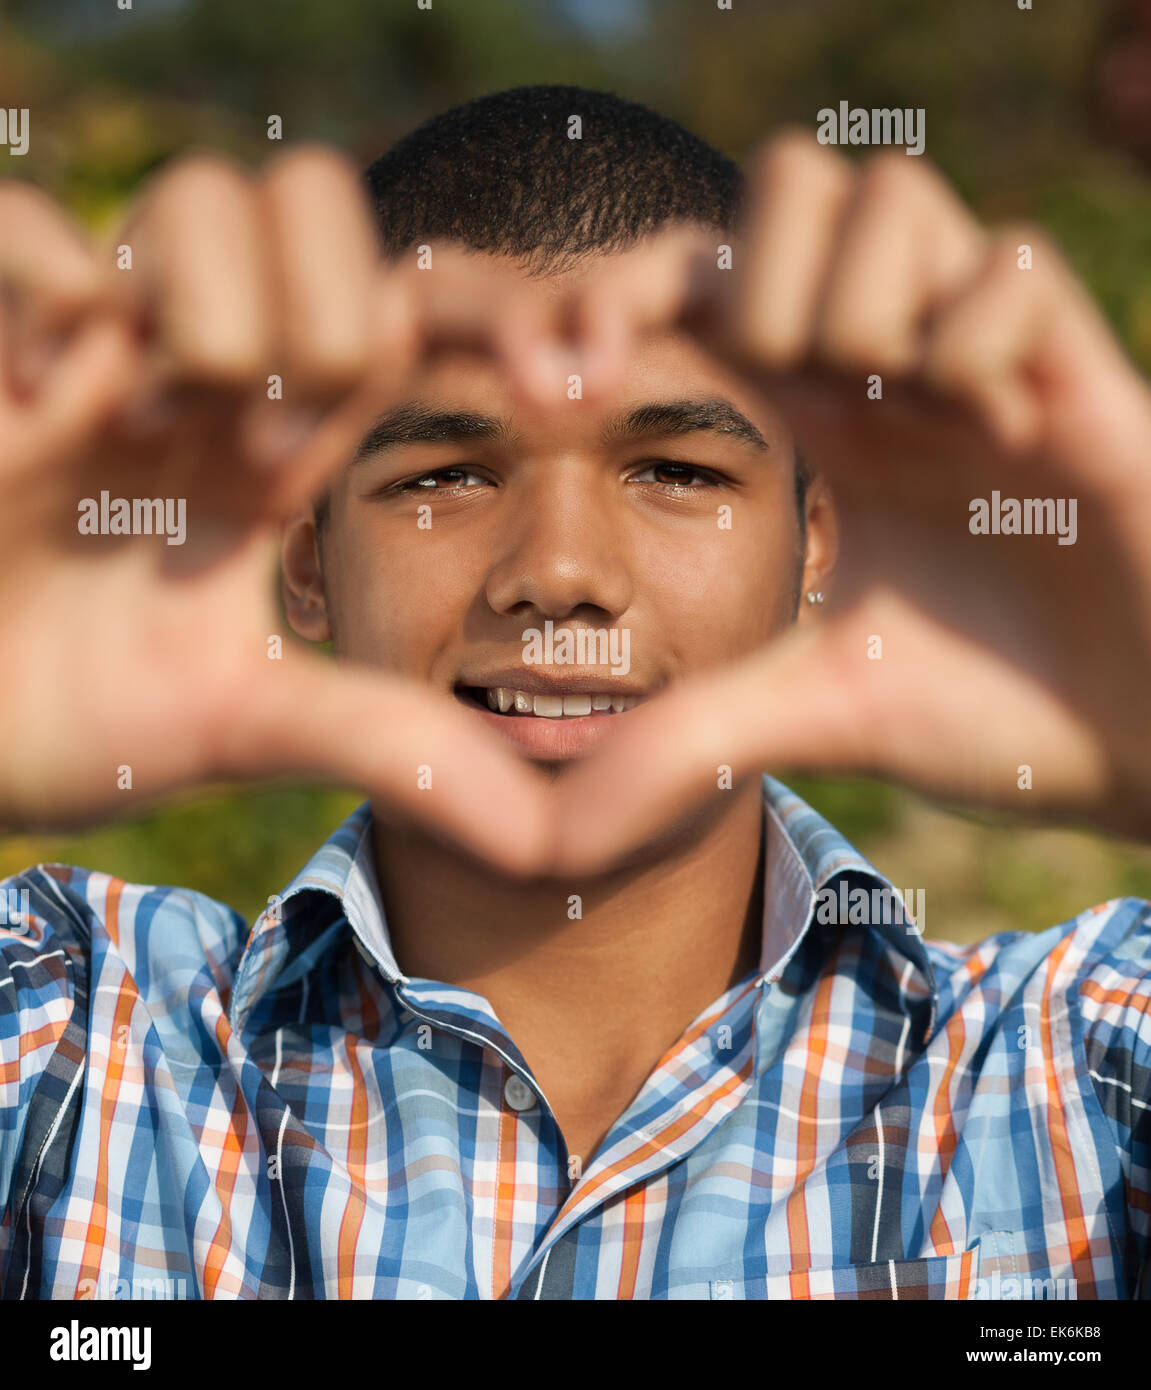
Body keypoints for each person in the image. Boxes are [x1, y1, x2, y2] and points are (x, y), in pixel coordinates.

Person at [0, 85, 1148, 1301]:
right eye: (443, 473)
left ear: (817, 545)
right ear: (306, 561)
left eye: (674, 468)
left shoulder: (1074, 1065)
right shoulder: (71, 1031)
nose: (558, 573)